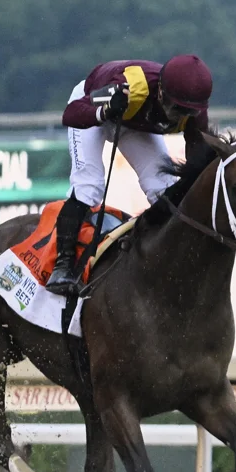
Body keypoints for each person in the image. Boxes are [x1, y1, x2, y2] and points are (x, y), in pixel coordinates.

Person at [44, 55, 213, 295]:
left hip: (136, 123)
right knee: (89, 185)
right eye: (177, 109)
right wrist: (104, 111)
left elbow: (196, 165)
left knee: (164, 188)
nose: (179, 117)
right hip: (97, 111)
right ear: (161, 93)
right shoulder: (129, 86)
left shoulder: (195, 113)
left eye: (188, 112)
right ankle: (62, 266)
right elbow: (70, 114)